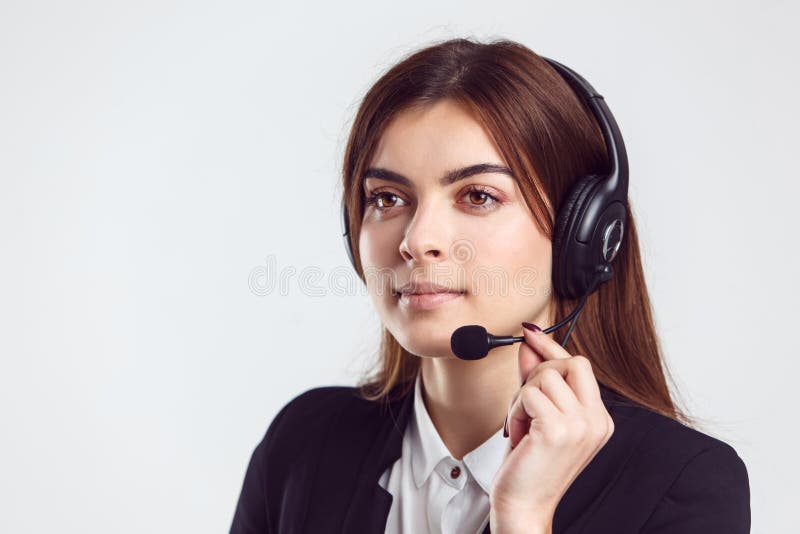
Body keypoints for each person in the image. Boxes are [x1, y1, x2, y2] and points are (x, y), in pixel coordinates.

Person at [229, 37, 750, 534]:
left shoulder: (682, 484)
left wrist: (523, 519)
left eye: (477, 196)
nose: (416, 240)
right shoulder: (303, 445)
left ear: (583, 235)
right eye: (387, 198)